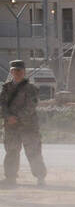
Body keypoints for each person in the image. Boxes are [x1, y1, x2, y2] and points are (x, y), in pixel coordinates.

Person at [1, 60, 45, 188]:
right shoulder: (6, 88)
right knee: (11, 152)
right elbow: (2, 105)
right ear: (11, 71)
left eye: (20, 70)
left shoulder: (31, 88)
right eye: (15, 70)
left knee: (33, 152)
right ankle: (10, 178)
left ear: (24, 72)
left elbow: (31, 106)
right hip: (11, 127)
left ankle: (40, 177)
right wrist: (7, 116)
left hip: (28, 126)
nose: (17, 73)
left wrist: (16, 117)